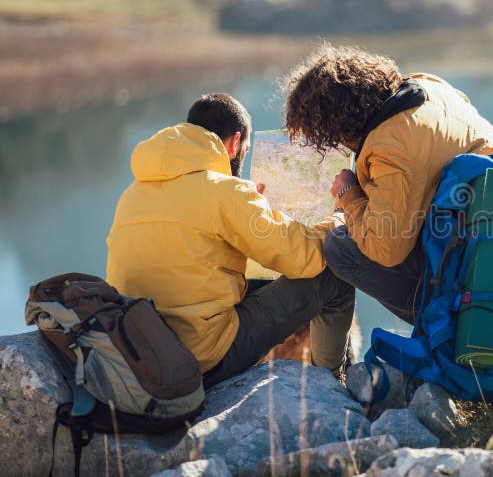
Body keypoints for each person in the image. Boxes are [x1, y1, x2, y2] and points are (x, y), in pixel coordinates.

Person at [106, 93, 355, 387]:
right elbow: (307, 257)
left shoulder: (132, 193)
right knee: (333, 276)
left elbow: (196, 252)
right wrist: (342, 211)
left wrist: (252, 211)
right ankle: (330, 387)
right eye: (245, 150)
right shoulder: (224, 192)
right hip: (202, 360)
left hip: (141, 351)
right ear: (235, 143)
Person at [282, 45, 493, 324]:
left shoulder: (389, 146)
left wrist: (348, 194)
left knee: (339, 247)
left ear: (339, 124)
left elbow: (387, 250)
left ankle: (444, 324)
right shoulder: (428, 84)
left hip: (474, 265)